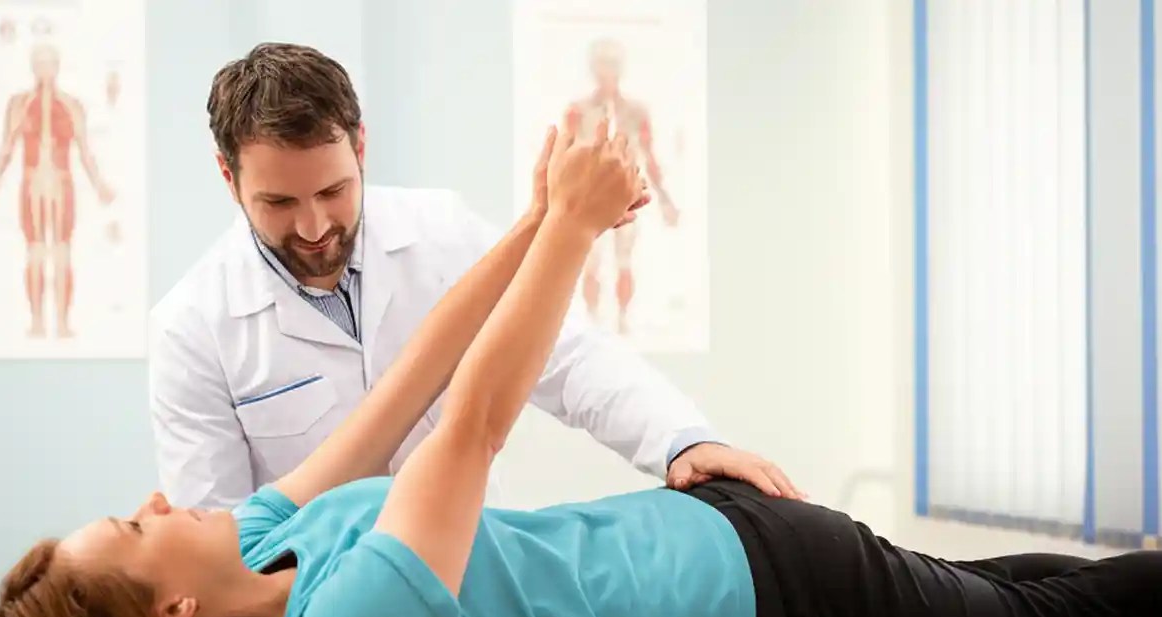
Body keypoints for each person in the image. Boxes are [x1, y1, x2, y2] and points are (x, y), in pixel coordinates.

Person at [0, 119, 1162, 617]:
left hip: (713, 530)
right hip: (769, 608)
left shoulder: (273, 546)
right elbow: (469, 432)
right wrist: (578, 232)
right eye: (129, 524)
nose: (156, 499)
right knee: (1051, 611)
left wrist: (538, 217)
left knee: (1041, 595)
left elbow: (407, 391)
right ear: (167, 612)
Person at [147, 42, 799, 512]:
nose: (315, 226)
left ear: (362, 147)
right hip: (309, 613)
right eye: (279, 204)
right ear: (228, 178)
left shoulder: (441, 232)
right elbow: (220, 543)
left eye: (334, 190)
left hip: (468, 581)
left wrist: (680, 443)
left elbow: (567, 356)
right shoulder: (191, 329)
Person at [0, 42, 117, 339]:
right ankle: (38, 321)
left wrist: (99, 185)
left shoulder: (71, 105)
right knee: (37, 252)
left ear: (57, 66)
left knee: (63, 252)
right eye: (39, 62)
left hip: (61, 182)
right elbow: (7, 146)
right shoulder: (19, 104)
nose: (45, 69)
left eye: (49, 62)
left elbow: (84, 150)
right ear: (33, 66)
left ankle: (63, 322)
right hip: (32, 183)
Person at [564, 37, 680, 335]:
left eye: (612, 64)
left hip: (626, 198)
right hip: (589, 199)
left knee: (624, 261)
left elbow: (649, 155)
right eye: (602, 64)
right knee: (590, 263)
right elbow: (566, 153)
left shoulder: (636, 112)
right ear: (593, 68)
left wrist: (665, 198)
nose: (606, 71)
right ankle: (591, 320)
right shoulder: (578, 111)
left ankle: (623, 322)